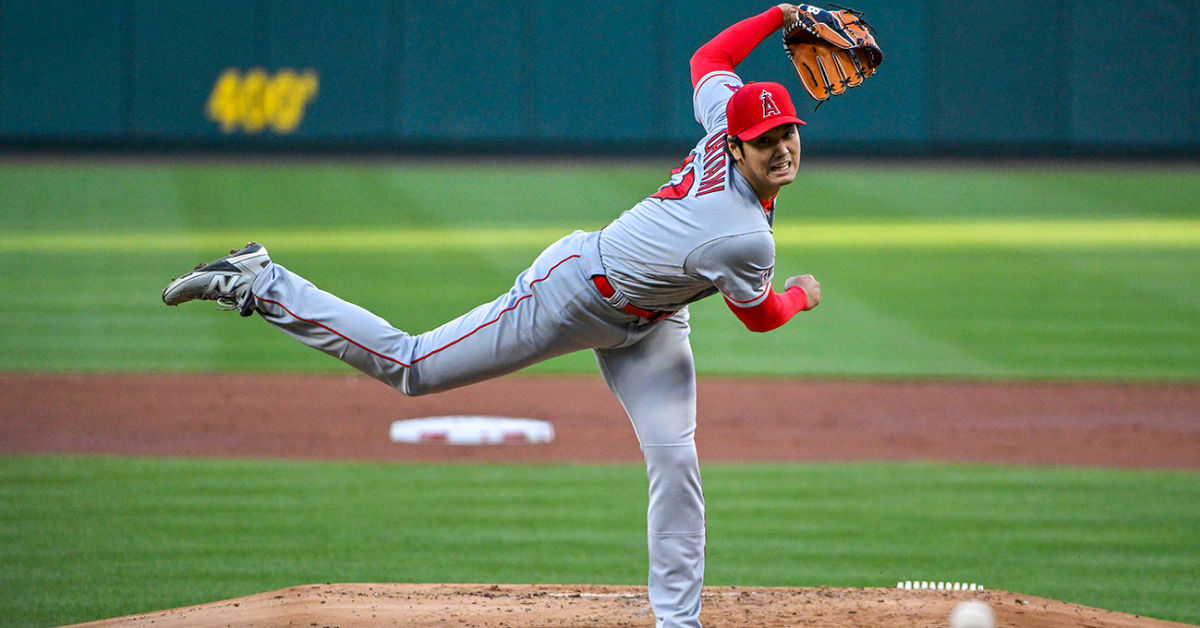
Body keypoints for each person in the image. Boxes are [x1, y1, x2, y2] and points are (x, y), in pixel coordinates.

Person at [162, 5, 819, 627]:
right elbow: (762, 317)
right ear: (734, 147)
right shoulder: (742, 236)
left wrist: (778, 16)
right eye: (765, 140)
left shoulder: (720, 124)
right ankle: (261, 282)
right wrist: (801, 295)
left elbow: (708, 58)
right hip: (571, 294)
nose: (782, 147)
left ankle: (679, 622)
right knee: (413, 367)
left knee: (676, 464)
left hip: (652, 321)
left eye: (788, 132)